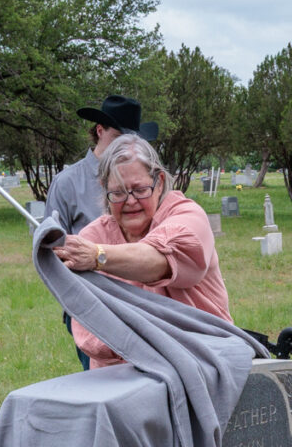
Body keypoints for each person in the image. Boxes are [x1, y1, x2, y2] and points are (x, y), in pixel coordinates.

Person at [52, 133, 233, 369]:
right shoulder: (94, 236)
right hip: (121, 379)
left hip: (202, 365)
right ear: (104, 188)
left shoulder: (187, 218)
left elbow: (160, 260)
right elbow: (90, 334)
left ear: (158, 182)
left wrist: (97, 257)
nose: (130, 201)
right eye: (118, 193)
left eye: (139, 190)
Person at [46, 95, 158, 368]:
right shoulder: (67, 183)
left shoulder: (145, 177)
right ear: (99, 130)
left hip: (145, 305)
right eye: (119, 136)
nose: (127, 145)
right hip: (91, 306)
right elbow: (50, 252)